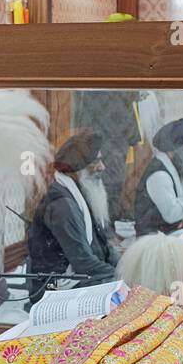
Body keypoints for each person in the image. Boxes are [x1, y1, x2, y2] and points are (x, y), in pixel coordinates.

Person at [25, 130, 121, 306]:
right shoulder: (63, 205)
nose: (103, 167)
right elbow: (83, 263)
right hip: (57, 295)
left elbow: (102, 245)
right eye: (96, 161)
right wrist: (122, 275)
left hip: (82, 280)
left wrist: (124, 265)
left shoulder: (77, 192)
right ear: (78, 167)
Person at [133, 117, 183, 235]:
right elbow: (171, 215)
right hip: (154, 238)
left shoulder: (175, 165)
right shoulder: (159, 174)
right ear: (174, 147)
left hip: (170, 231)